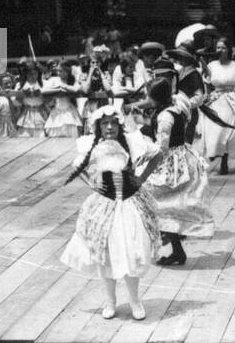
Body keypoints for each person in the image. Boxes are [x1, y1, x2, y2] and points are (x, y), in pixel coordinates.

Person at [60, 105, 163, 321]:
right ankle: (110, 301)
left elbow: (157, 154)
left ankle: (135, 301)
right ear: (98, 126)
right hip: (105, 205)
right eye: (105, 123)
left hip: (130, 204)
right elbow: (77, 165)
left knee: (132, 250)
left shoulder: (132, 142)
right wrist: (92, 184)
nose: (109, 127)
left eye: (113, 123)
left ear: (119, 125)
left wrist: (141, 178)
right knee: (105, 254)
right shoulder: (92, 146)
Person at [144, 78, 214, 266]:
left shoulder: (164, 116)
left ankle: (170, 245)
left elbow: (162, 148)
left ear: (155, 97)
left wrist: (144, 170)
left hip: (172, 163)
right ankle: (175, 248)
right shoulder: (177, 105)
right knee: (168, 205)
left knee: (161, 203)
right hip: (183, 155)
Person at [201, 38, 235, 174]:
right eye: (218, 47)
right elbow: (207, 81)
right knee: (215, 129)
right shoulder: (211, 65)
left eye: (223, 47)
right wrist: (207, 94)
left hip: (230, 99)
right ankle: (215, 154)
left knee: (226, 130)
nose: (220, 50)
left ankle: (224, 160)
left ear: (228, 49)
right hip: (215, 99)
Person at [43, 62, 84, 137]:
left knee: (71, 130)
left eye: (61, 71)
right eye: (58, 71)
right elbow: (43, 90)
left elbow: (76, 89)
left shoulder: (71, 81)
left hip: (69, 110)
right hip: (57, 110)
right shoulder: (54, 80)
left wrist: (64, 86)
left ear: (67, 72)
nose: (58, 73)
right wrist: (57, 89)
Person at [15, 65, 47, 137]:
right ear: (26, 74)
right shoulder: (20, 85)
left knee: (40, 136)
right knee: (24, 136)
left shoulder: (43, 84)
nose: (33, 76)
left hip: (40, 113)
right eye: (30, 74)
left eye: (35, 73)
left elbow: (48, 100)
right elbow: (17, 103)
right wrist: (23, 94)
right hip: (26, 113)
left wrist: (40, 93)